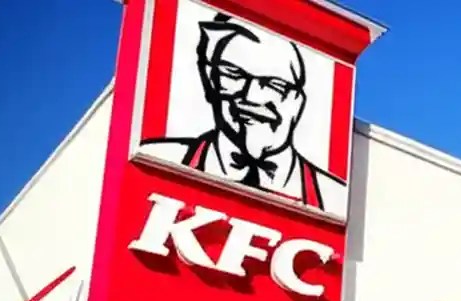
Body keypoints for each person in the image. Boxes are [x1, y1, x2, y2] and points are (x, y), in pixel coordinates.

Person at [142, 13, 343, 212]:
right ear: (210, 81)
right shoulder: (154, 160)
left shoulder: (336, 198)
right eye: (233, 74)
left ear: (297, 103)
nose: (253, 96)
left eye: (275, 84)